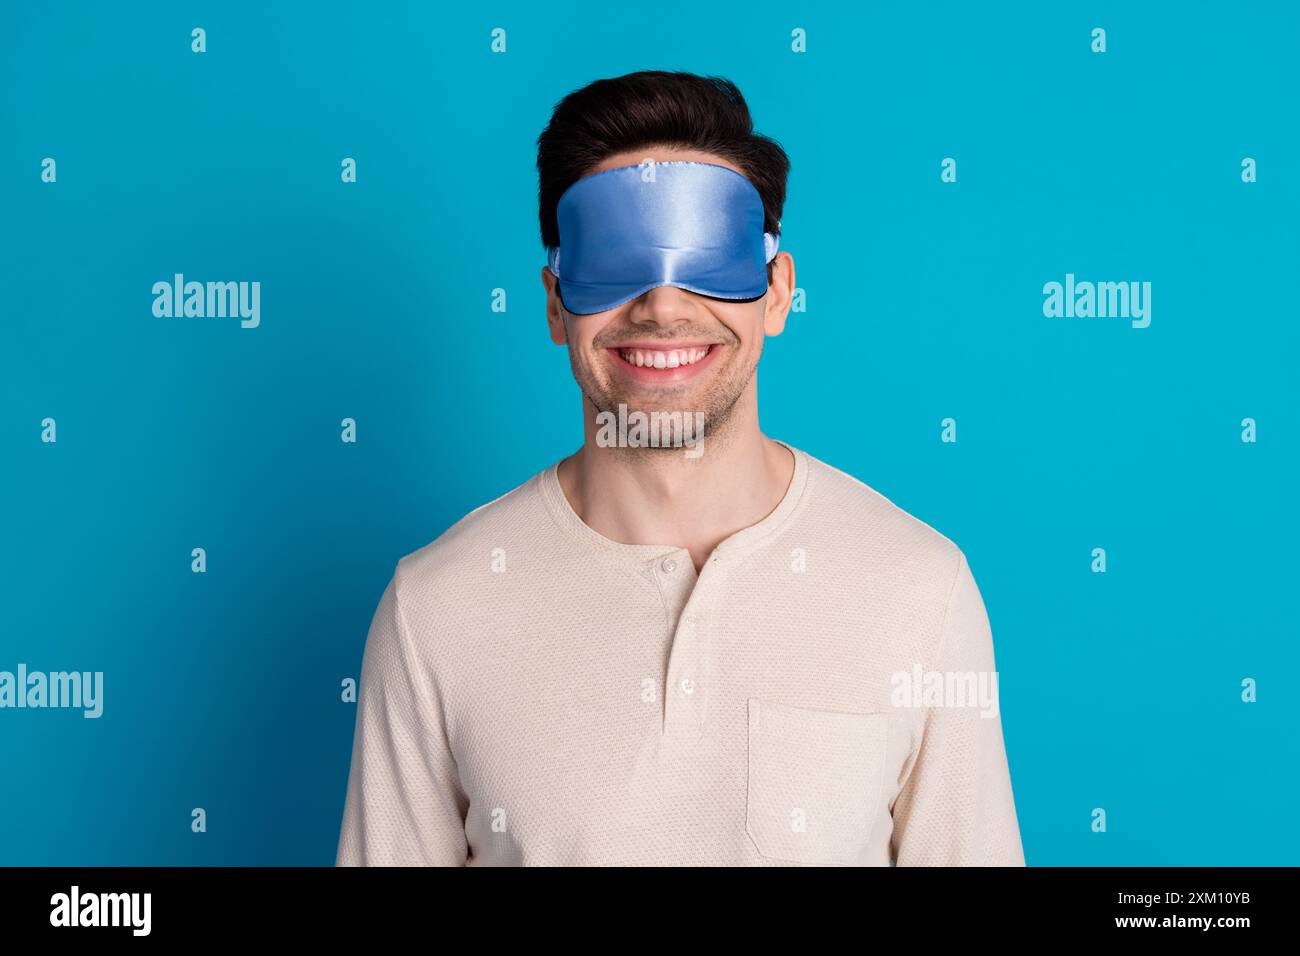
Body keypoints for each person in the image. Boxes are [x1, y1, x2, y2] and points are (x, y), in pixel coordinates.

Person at [336, 70, 1025, 866]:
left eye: (709, 258)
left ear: (776, 291)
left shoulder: (921, 590)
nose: (663, 306)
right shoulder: (434, 610)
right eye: (616, 260)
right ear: (557, 304)